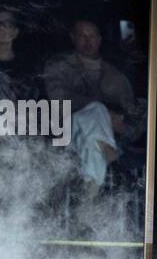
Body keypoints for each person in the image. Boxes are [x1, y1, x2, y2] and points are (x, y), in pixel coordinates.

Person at [42, 18, 137, 197]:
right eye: (82, 36)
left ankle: (90, 193)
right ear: (73, 38)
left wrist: (122, 125)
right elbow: (57, 96)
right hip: (66, 131)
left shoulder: (115, 76)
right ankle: (105, 148)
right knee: (96, 110)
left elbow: (132, 116)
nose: (87, 41)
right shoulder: (58, 65)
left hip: (100, 138)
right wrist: (103, 112)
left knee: (92, 137)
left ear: (99, 39)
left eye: (92, 36)